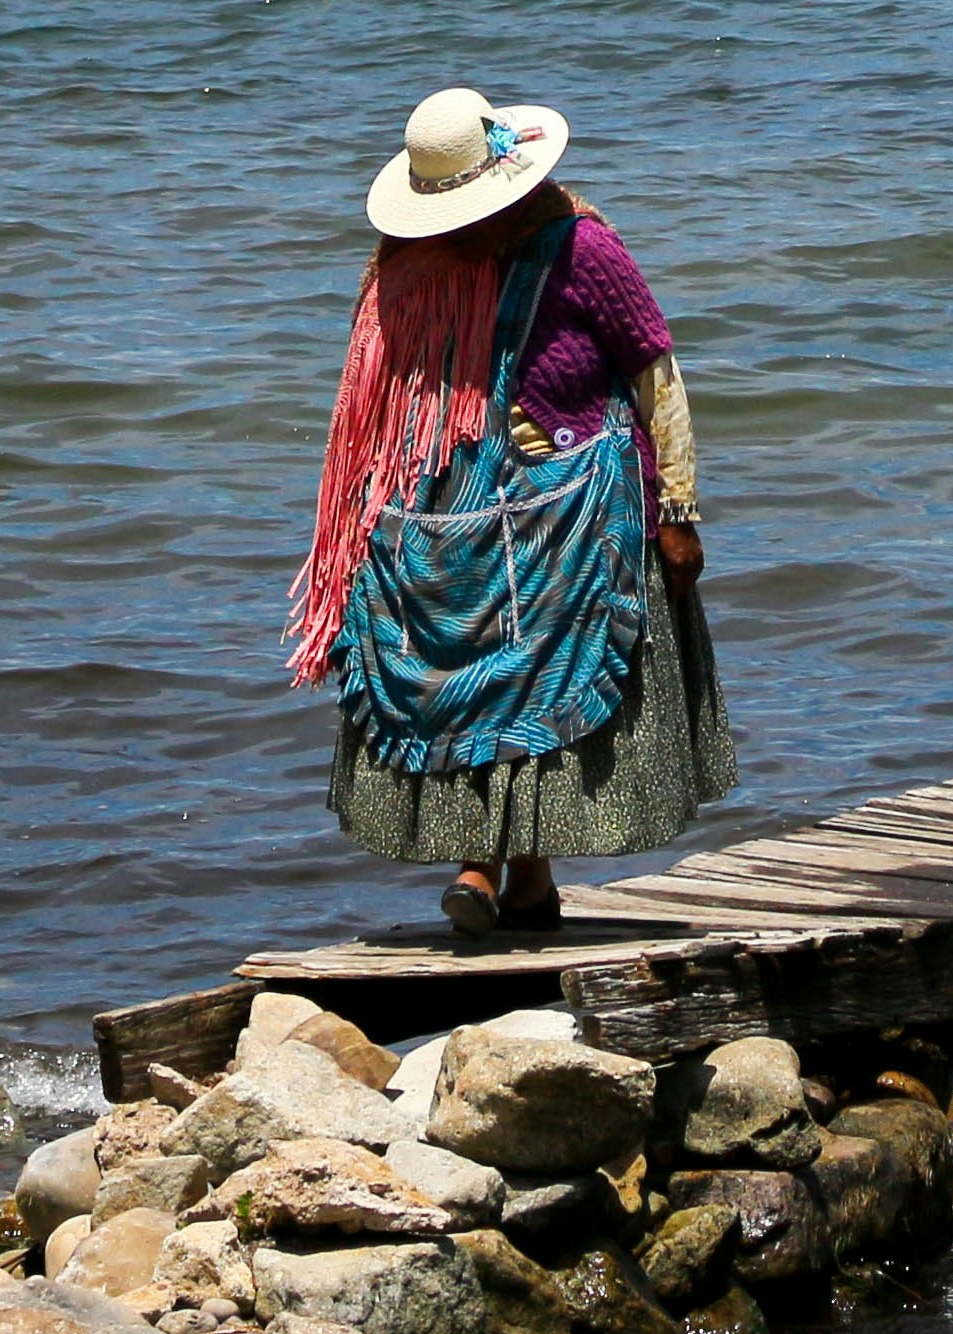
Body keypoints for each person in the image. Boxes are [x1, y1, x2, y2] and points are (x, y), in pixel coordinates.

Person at [290, 85, 732, 943]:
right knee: (465, 679)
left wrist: (677, 508)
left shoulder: (587, 250)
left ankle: (492, 871)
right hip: (465, 502)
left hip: (577, 509)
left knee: (539, 679)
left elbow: (656, 376)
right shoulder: (415, 265)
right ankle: (517, 881)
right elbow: (379, 401)